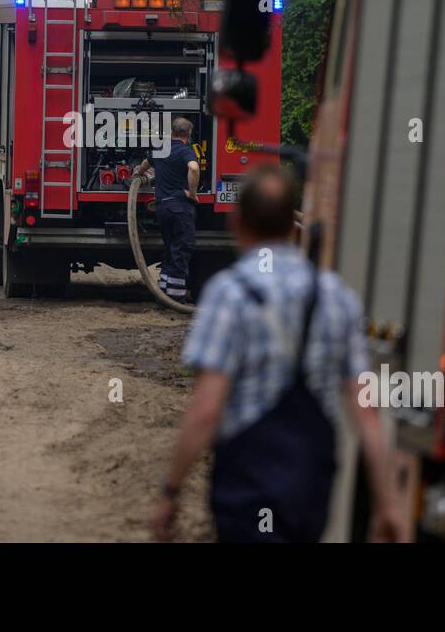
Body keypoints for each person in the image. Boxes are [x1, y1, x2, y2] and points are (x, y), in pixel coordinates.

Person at [150, 166, 407, 543]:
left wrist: (171, 490)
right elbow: (366, 414)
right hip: (311, 483)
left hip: (247, 479)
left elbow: (206, 410)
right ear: (293, 223)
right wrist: (388, 505)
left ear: (236, 221)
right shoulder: (337, 296)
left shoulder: (230, 293)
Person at [132, 117, 199, 304]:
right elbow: (193, 168)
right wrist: (192, 193)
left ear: (172, 133)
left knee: (170, 249)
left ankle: (164, 294)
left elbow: (145, 164)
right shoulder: (186, 151)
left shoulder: (161, 149)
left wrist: (138, 174)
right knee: (182, 249)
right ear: (189, 134)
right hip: (180, 207)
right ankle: (176, 298)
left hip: (162, 207)